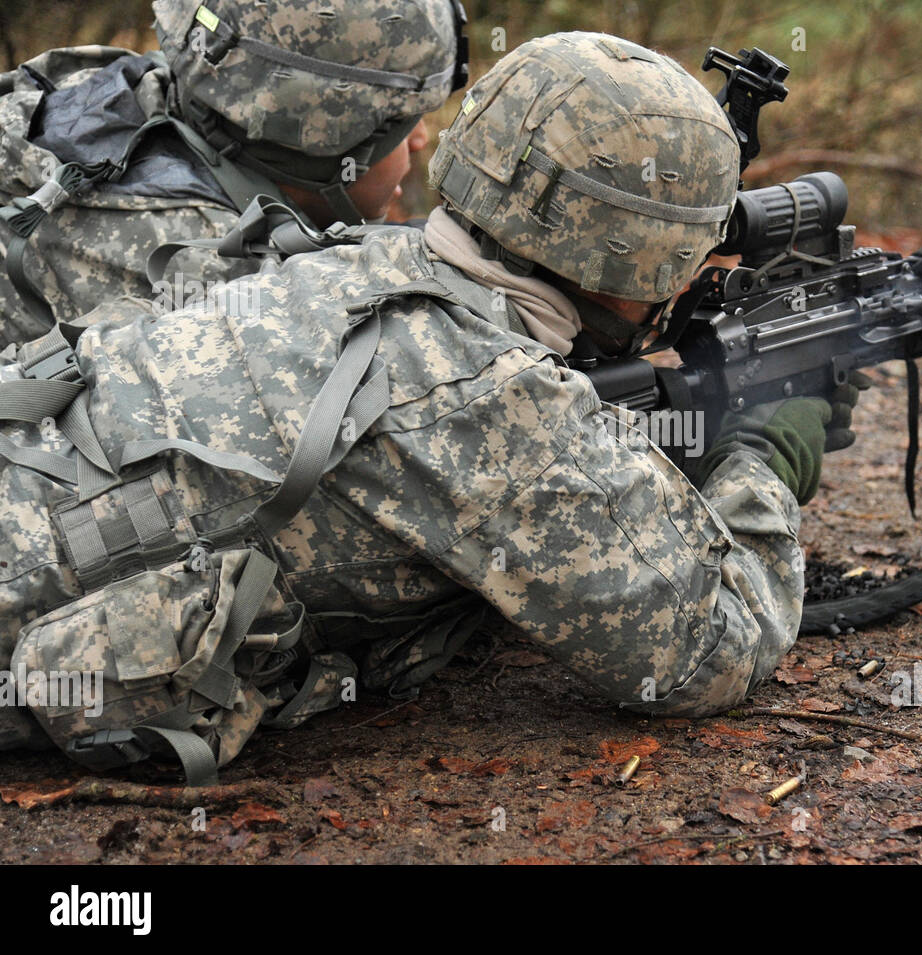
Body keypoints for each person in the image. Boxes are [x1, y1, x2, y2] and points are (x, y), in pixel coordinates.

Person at [0, 31, 862, 784]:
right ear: (638, 255)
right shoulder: (490, 396)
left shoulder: (346, 258)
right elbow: (710, 648)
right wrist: (764, 455)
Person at [0, 0, 468, 347]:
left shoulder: (105, 88)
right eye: (404, 126)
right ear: (320, 142)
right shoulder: (228, 293)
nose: (422, 139)